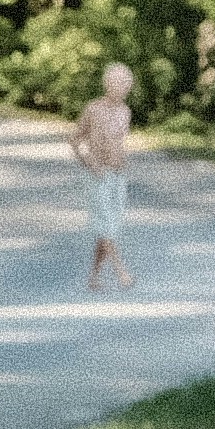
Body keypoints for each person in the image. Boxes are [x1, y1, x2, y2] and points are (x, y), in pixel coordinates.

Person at [71, 62, 135, 290]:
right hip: (100, 175)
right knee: (105, 226)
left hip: (119, 175)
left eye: (127, 83)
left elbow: (120, 143)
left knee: (108, 228)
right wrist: (89, 163)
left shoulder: (125, 112)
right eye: (120, 82)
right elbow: (75, 140)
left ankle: (94, 278)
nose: (124, 87)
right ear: (108, 84)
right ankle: (122, 272)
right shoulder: (93, 109)